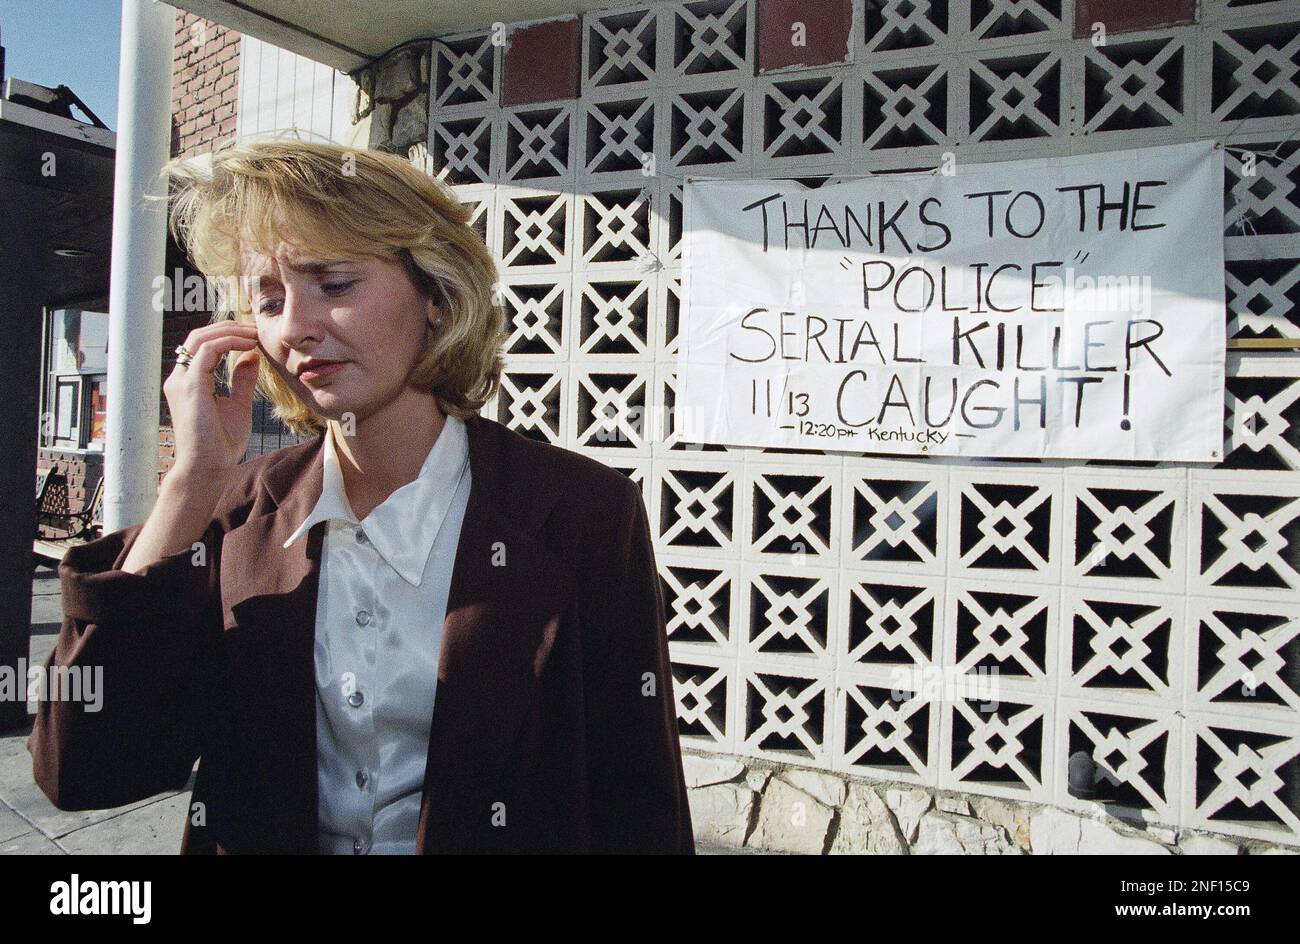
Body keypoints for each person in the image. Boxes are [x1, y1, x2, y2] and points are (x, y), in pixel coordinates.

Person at [29, 138, 695, 855]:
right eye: (271, 298)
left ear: (436, 299)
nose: (295, 327)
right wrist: (189, 486)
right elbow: (82, 770)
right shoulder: (235, 510)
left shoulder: (583, 513)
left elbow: (636, 796)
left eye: (334, 284)